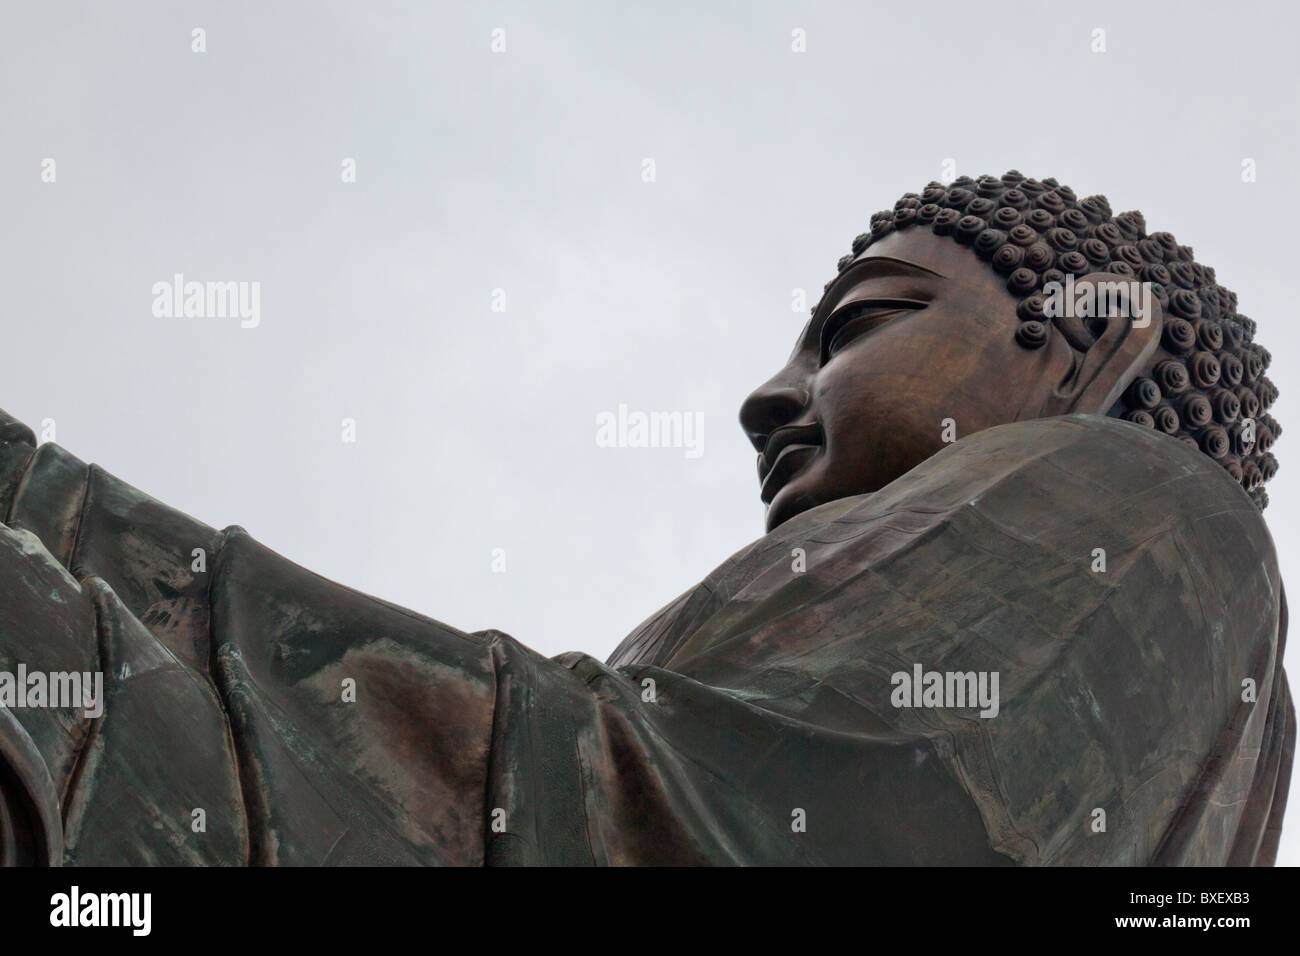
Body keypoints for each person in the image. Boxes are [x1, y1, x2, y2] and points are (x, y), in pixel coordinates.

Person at [0, 172, 1291, 865]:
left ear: (1084, 343)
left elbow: (670, 822)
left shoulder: (1153, 518)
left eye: (856, 329)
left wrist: (55, 515)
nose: (769, 397)